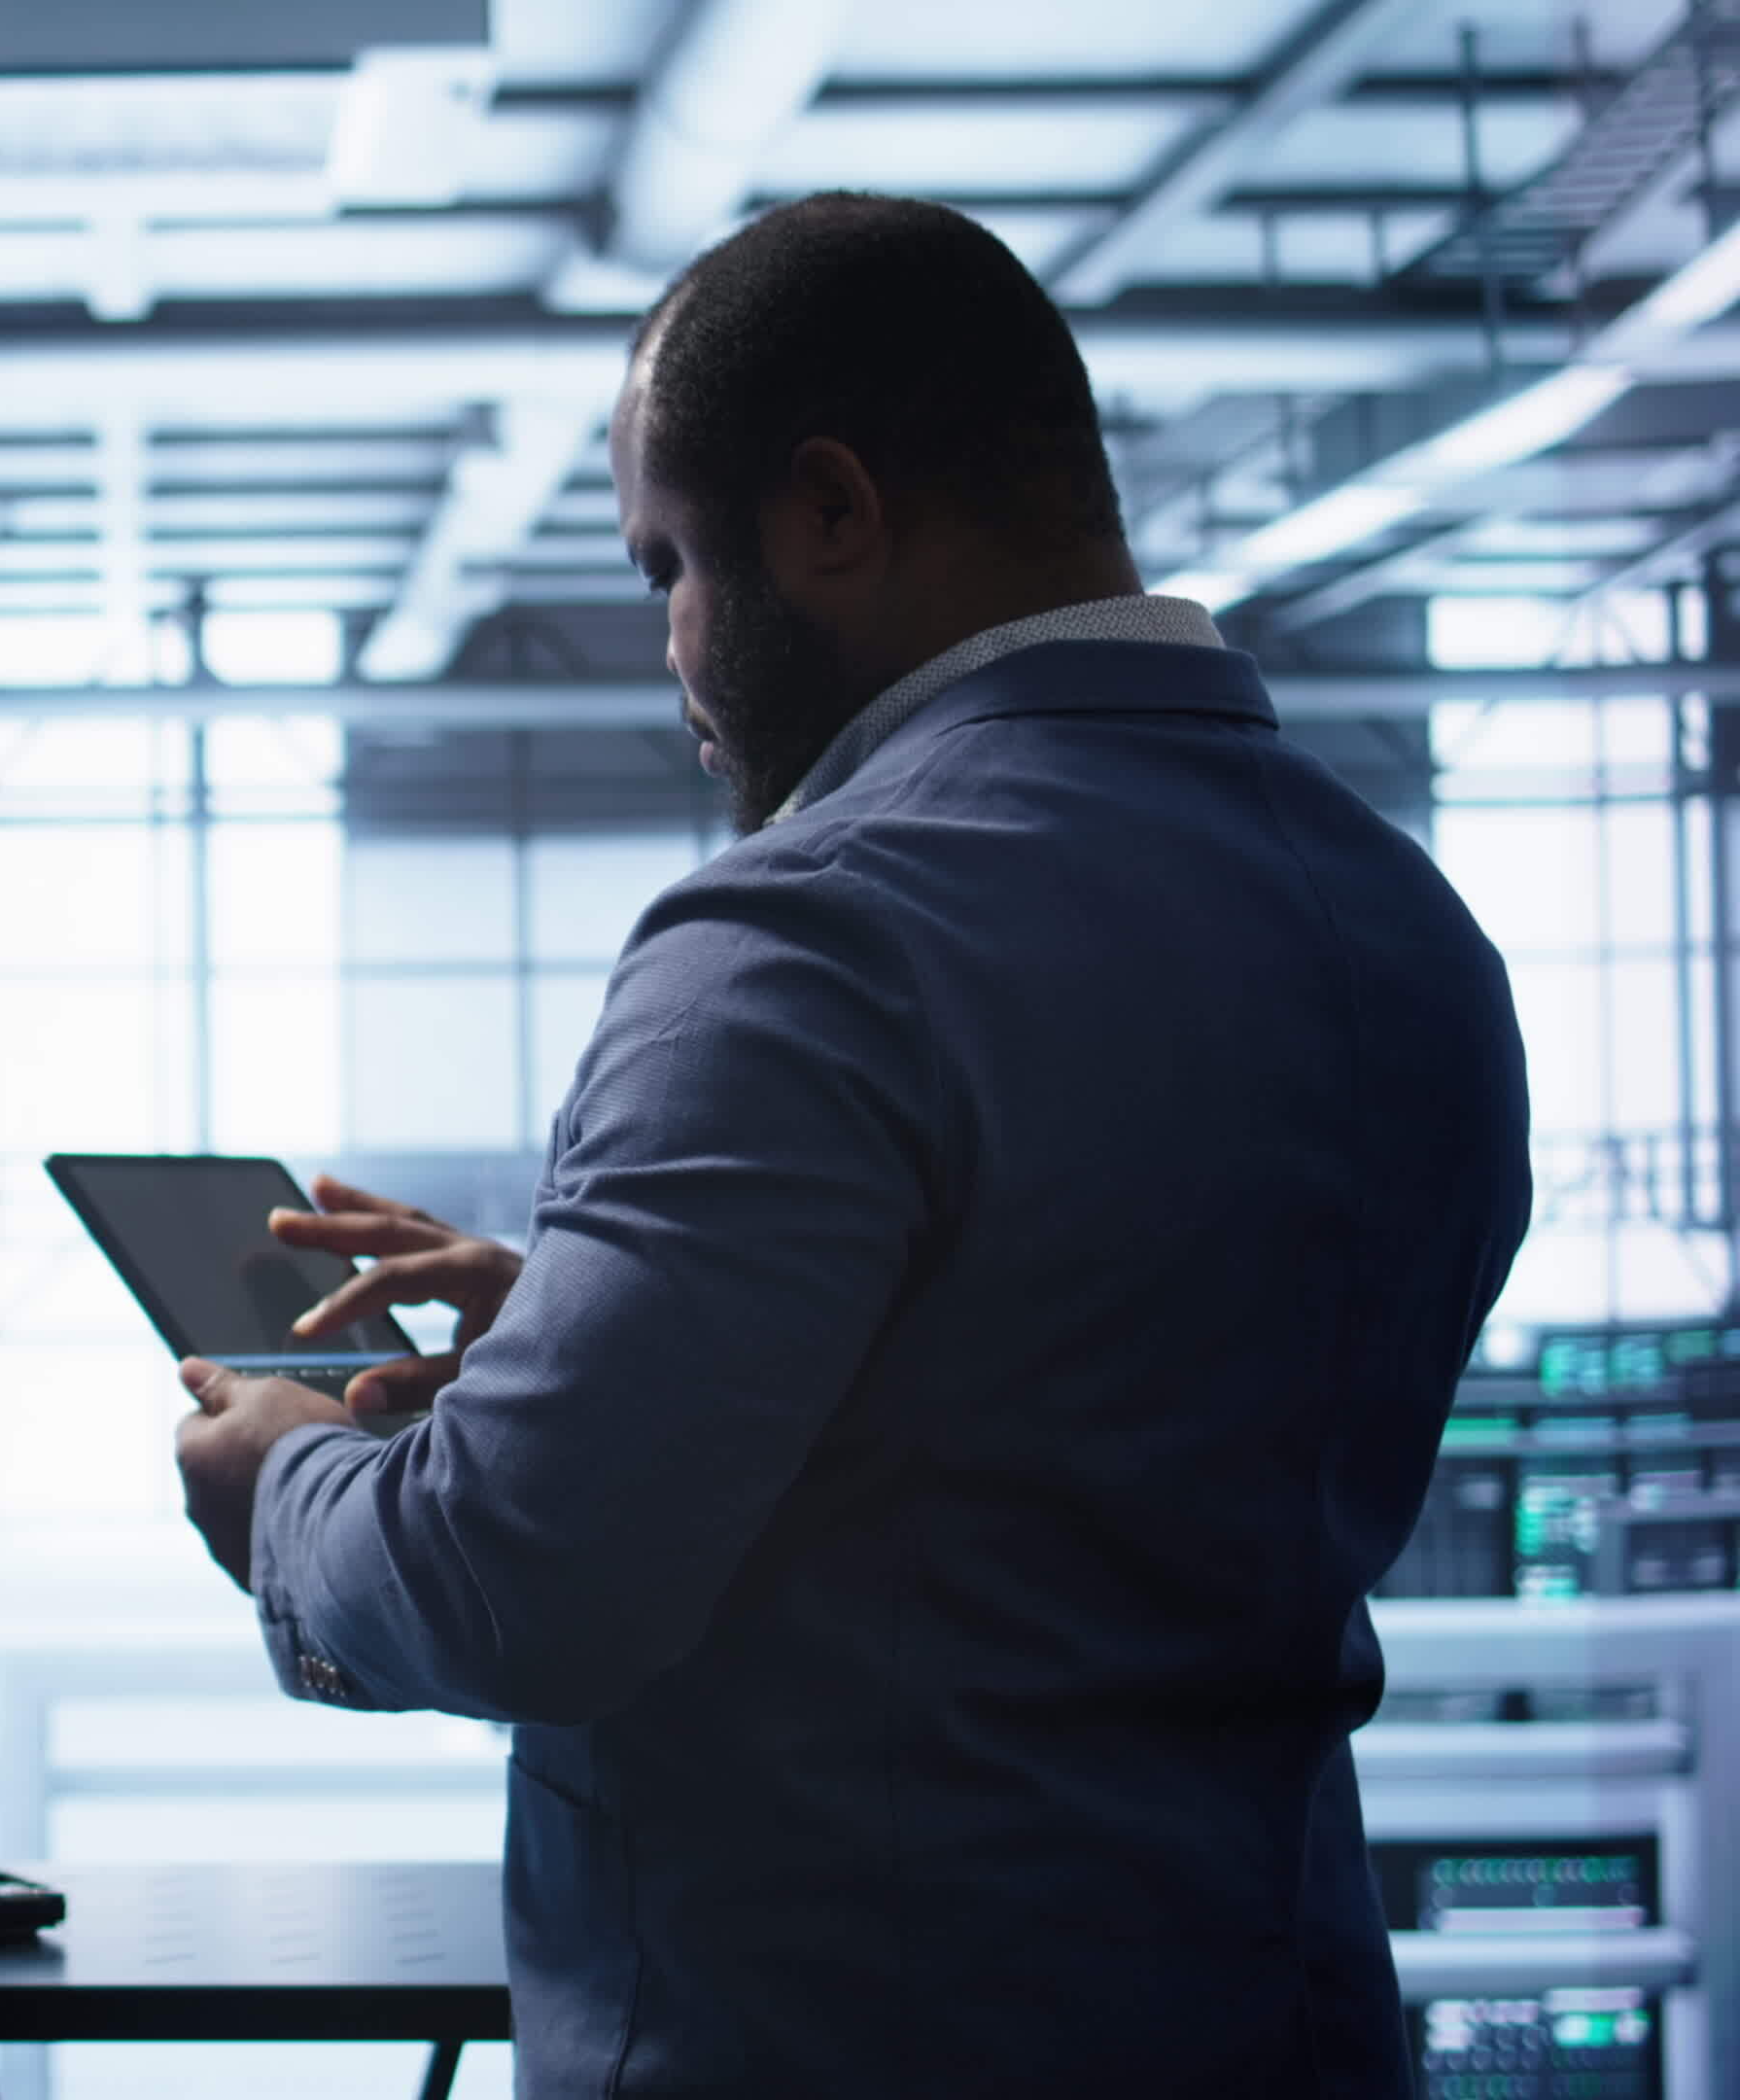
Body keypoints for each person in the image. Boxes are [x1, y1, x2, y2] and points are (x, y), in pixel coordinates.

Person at [172, 192, 1531, 2096]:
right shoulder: (1407, 933)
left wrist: (285, 1492)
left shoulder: (809, 935)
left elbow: (522, 1583)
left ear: (829, 511)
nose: (669, 648)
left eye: (668, 570)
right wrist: (597, 1335)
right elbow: (1062, 1442)